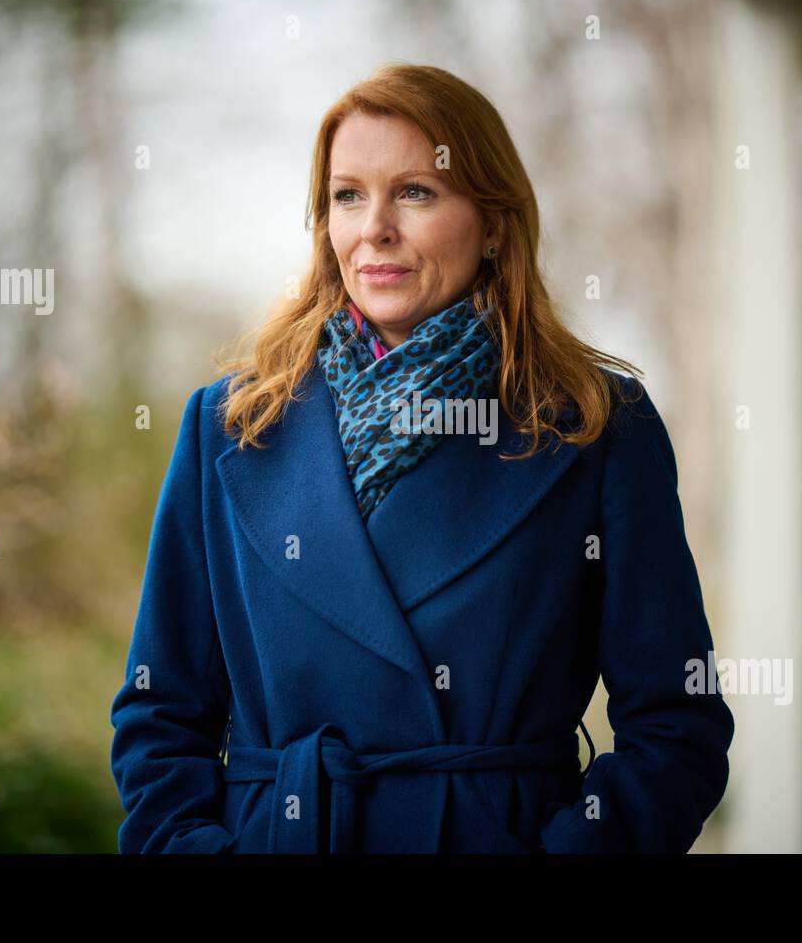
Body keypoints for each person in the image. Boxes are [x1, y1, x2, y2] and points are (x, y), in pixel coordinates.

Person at [109, 62, 734, 853]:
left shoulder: (595, 427)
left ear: (496, 221)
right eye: (347, 195)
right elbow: (156, 711)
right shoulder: (231, 425)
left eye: (416, 192)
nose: (375, 227)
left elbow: (678, 722)